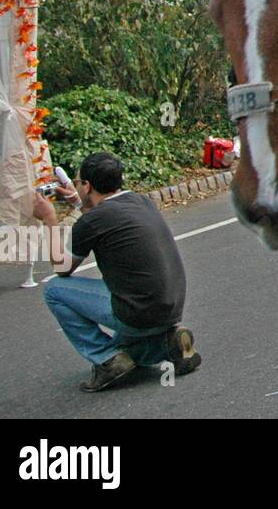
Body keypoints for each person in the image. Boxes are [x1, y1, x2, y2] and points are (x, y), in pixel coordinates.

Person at [37, 153, 200, 392]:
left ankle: (107, 358)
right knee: (134, 352)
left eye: (79, 180)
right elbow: (100, 218)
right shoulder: (141, 200)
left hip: (137, 313)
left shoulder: (91, 222)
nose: (76, 183)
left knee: (53, 289)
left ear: (88, 185)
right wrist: (76, 200)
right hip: (171, 307)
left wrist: (49, 219)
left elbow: (61, 268)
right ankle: (168, 344)